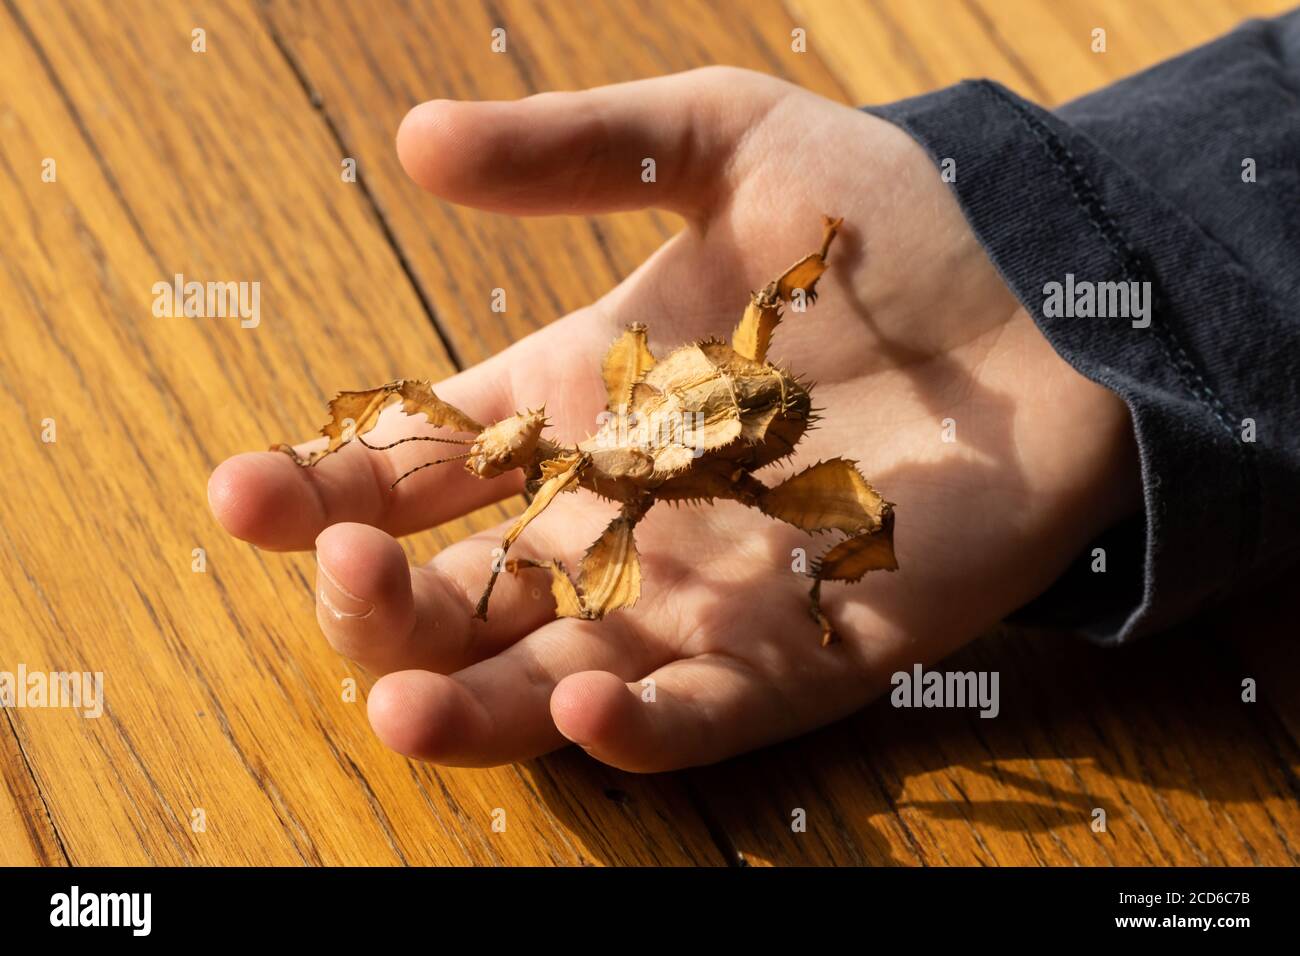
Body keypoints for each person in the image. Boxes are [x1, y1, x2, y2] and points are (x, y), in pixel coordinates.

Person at [208, 10, 1300, 772]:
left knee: (818, 502)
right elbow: (553, 472)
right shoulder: (597, 467)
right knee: (625, 510)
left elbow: (581, 455)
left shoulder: (612, 474)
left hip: (734, 426)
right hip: (706, 427)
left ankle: (825, 574)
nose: (522, 465)